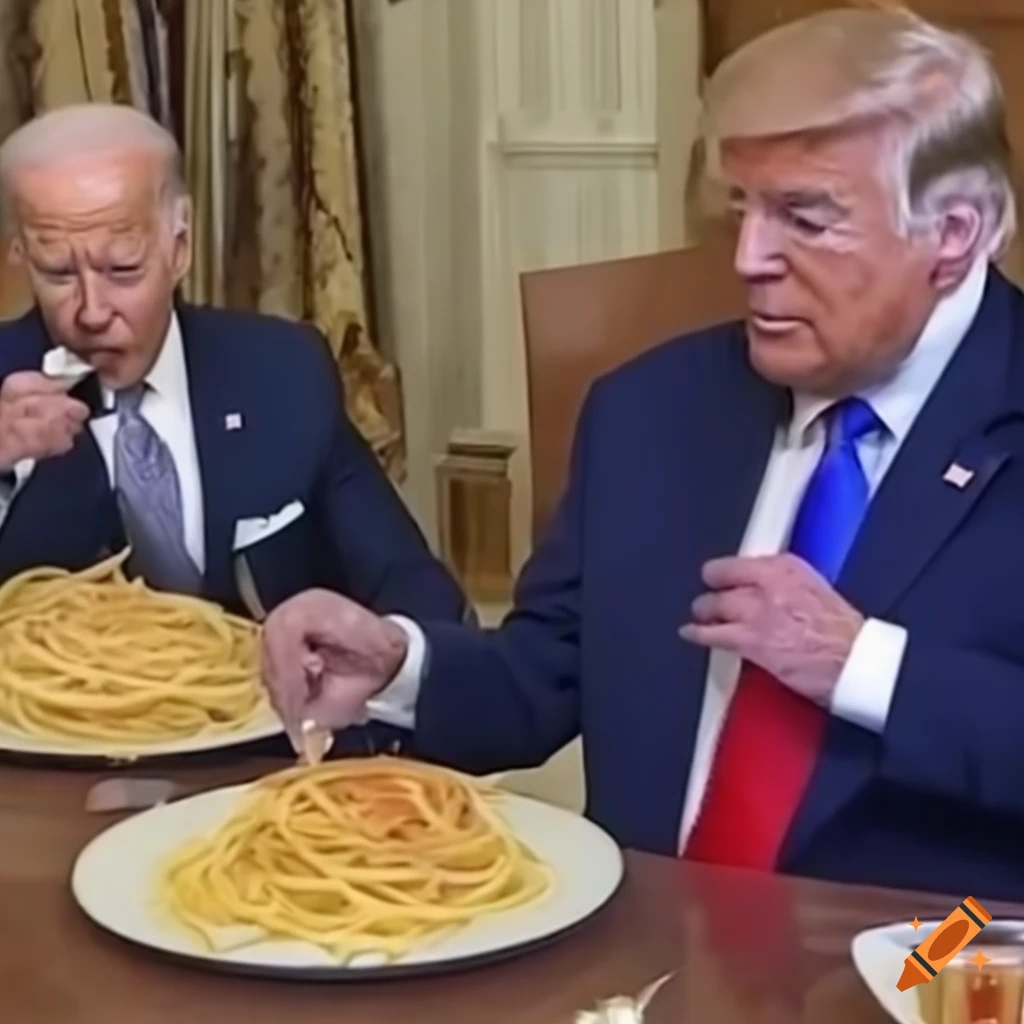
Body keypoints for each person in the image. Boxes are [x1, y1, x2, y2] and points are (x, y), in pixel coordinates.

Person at [261, 8, 1024, 900]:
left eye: (805, 219)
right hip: (642, 954)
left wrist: (860, 664)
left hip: (950, 950)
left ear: (956, 233)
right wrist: (400, 664)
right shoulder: (647, 411)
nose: (748, 258)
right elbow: (546, 672)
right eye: (741, 209)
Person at [0, 104, 470, 640]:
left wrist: (393, 664)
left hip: (264, 714)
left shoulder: (282, 372)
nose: (91, 310)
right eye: (58, 273)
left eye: (122, 269)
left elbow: (408, 580)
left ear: (178, 248)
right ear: (22, 254)